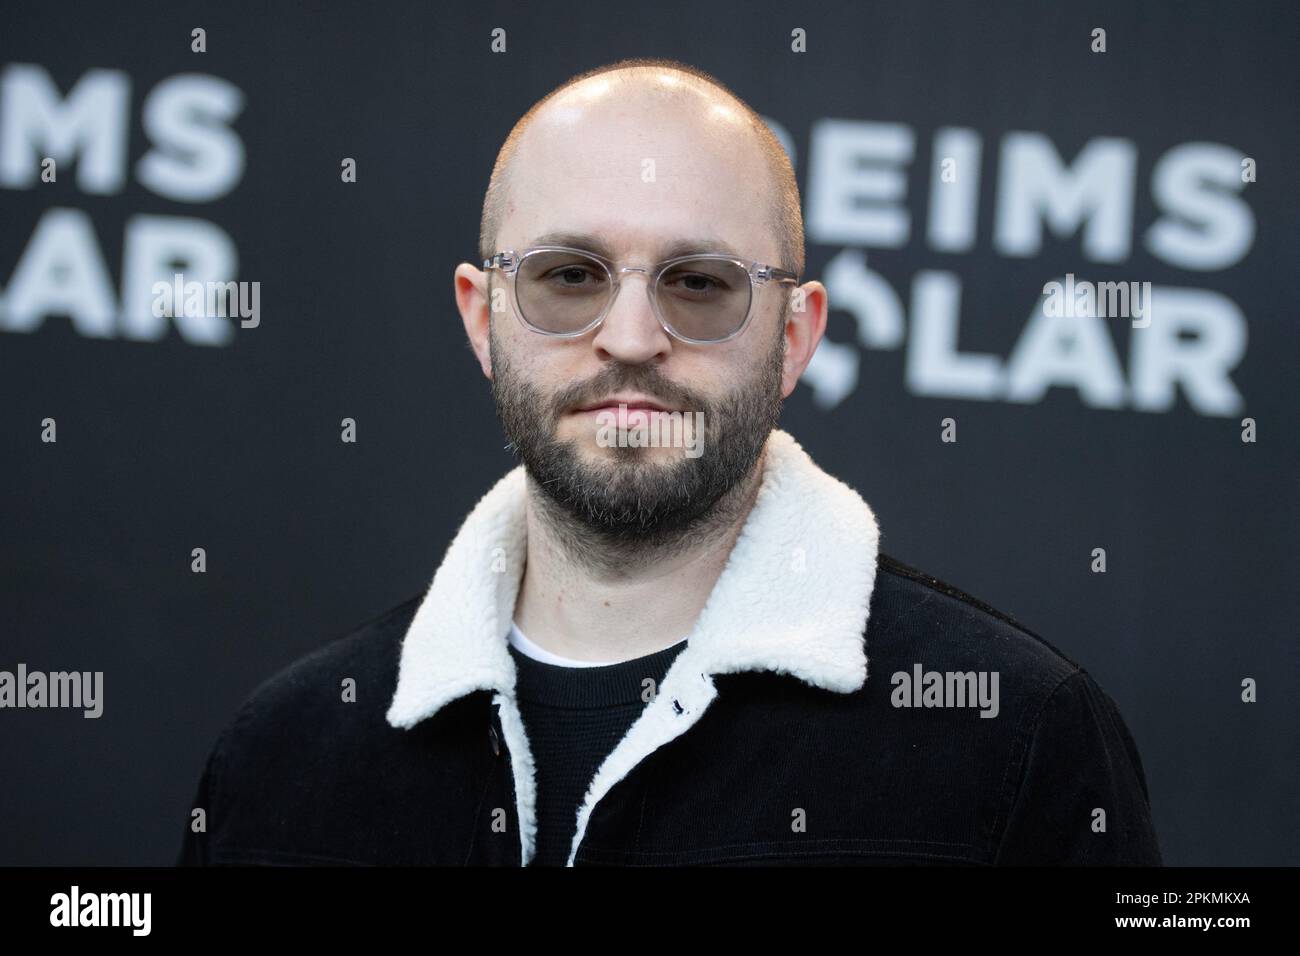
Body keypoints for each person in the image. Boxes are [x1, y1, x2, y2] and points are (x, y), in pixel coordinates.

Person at [177, 56, 1161, 867]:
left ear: (794, 335)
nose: (633, 336)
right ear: (481, 319)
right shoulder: (286, 756)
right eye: (569, 277)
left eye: (699, 283)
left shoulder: (1018, 736)